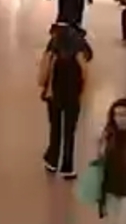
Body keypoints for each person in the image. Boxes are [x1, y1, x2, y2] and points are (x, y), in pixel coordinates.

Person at [39, 23, 92, 178]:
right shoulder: (79, 50)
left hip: (54, 95)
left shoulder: (53, 49)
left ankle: (53, 161)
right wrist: (83, 93)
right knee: (70, 131)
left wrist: (43, 86)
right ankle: (68, 166)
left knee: (55, 128)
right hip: (73, 95)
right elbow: (85, 73)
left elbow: (43, 74)